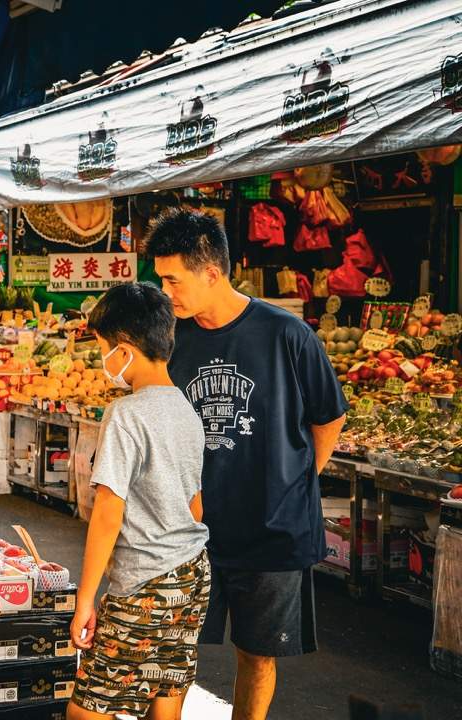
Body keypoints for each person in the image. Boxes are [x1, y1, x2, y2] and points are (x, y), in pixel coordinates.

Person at [145, 209, 347, 720]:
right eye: (161, 280)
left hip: (272, 530)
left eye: (173, 279)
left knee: (257, 656)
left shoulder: (287, 335)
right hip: (187, 530)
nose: (166, 292)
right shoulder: (171, 341)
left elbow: (329, 417)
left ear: (211, 273)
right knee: (171, 653)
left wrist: (296, 480)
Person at [68, 282, 211, 720]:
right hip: (192, 577)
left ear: (125, 349)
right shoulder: (187, 409)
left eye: (103, 348)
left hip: (143, 584)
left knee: (87, 710)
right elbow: (196, 506)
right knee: (165, 697)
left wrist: (85, 600)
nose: (103, 360)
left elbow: (109, 513)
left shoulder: (125, 415)